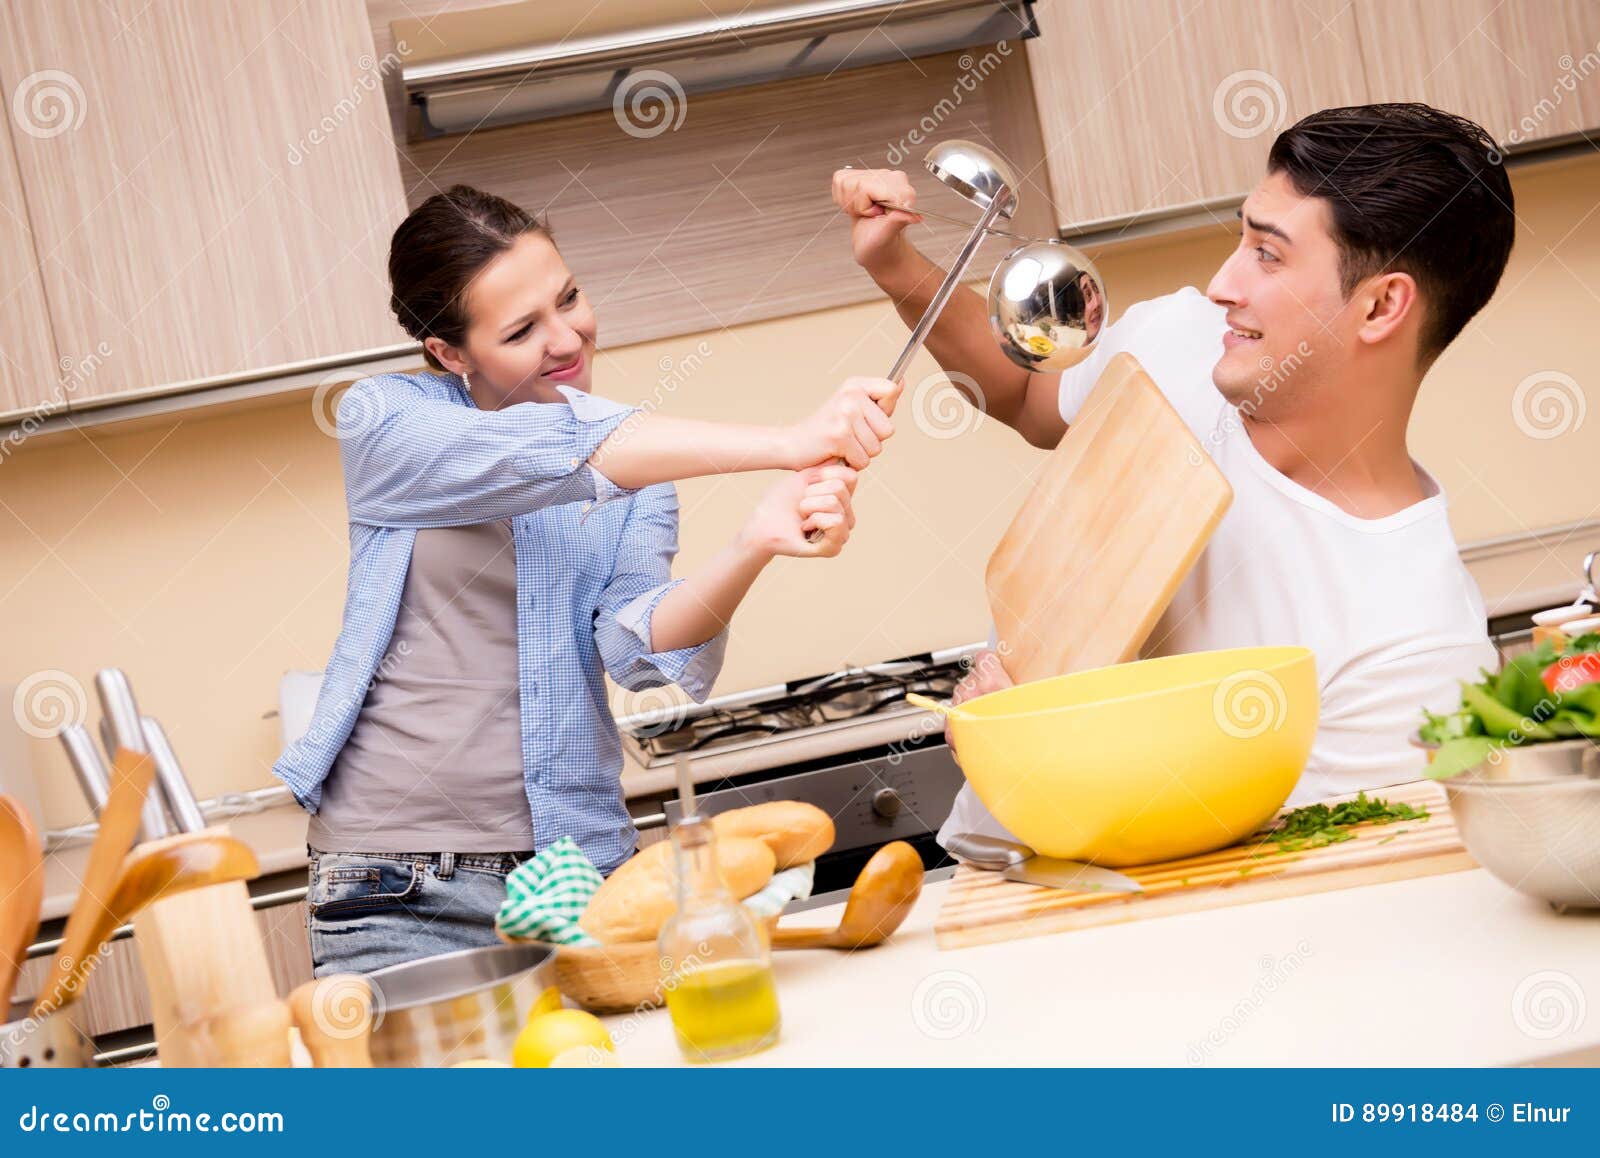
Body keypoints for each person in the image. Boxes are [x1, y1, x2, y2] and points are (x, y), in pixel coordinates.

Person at [832, 104, 1511, 843]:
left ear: (1382, 305)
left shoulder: (1415, 642)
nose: (1222, 283)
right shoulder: (1184, 344)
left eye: (1268, 254)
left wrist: (1037, 756)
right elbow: (1028, 397)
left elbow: (1278, 879)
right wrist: (893, 264)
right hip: (985, 883)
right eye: (1241, 239)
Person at [273, 185, 901, 974]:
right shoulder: (388, 421)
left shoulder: (643, 466)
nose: (567, 338)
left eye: (568, 298)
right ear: (450, 354)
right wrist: (793, 440)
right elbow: (549, 450)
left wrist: (753, 544)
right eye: (522, 330)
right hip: (399, 890)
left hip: (579, 872)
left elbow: (635, 650)